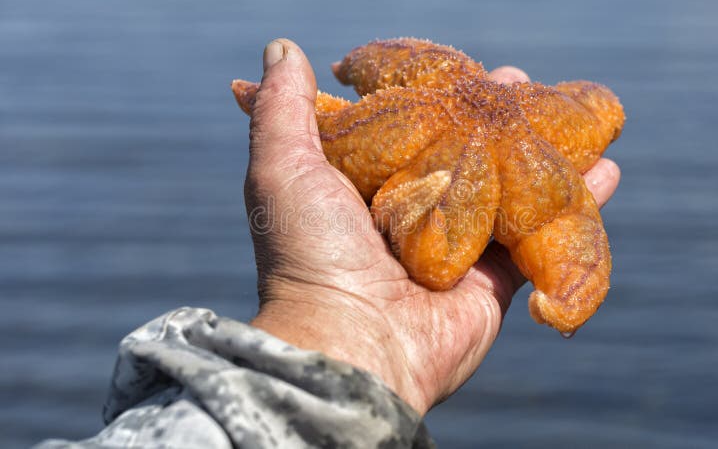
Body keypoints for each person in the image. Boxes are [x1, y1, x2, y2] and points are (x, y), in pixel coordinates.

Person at [36, 39, 620, 448]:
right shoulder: (482, 104)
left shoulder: (444, 80)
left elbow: (441, 256)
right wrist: (344, 326)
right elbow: (435, 258)